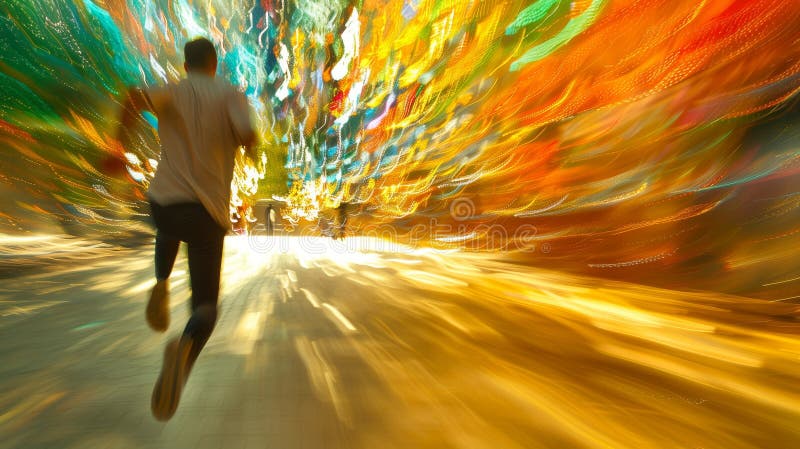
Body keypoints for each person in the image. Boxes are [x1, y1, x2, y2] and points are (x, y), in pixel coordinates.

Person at [113, 37, 256, 421]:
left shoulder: (172, 91)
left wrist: (115, 143)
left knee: (168, 229)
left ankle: (160, 285)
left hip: (164, 205)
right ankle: (186, 346)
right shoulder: (230, 94)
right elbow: (248, 135)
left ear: (186, 64)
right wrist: (249, 146)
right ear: (213, 64)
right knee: (206, 307)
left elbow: (132, 99)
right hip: (207, 214)